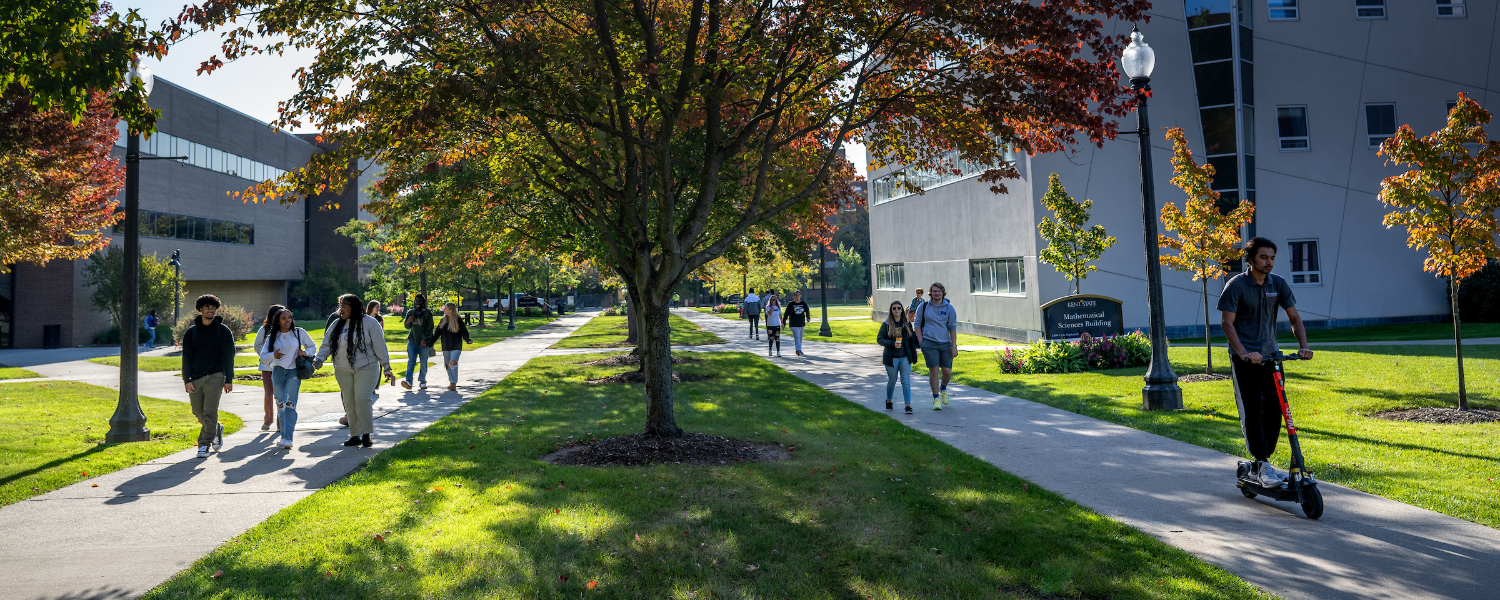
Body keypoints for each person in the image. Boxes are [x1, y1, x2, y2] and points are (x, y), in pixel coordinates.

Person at [1219, 237, 1314, 489]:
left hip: (1271, 357)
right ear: (1250, 259)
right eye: (1263, 257)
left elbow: (1294, 317)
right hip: (1246, 360)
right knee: (1253, 409)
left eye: (1271, 257)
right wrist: (1242, 352)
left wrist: (1303, 346)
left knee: (1275, 410)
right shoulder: (1236, 285)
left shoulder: (1278, 284)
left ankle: (1264, 462)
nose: (1268, 262)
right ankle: (1260, 463)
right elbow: (1227, 323)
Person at [315, 293, 395, 448]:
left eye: (344, 306)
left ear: (354, 307)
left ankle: (366, 435)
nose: (341, 309)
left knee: (362, 399)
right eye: (339, 306)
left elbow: (380, 346)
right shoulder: (336, 324)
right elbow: (326, 345)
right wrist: (319, 359)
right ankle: (355, 435)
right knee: (349, 402)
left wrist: (386, 366)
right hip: (343, 369)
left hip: (367, 367)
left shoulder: (369, 323)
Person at [181, 295, 235, 458]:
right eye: (207, 307)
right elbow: (187, 357)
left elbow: (229, 356)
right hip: (196, 377)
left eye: (213, 307)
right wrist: (187, 380)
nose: (211, 310)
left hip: (216, 375)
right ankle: (217, 429)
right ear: (200, 309)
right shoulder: (191, 332)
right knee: (198, 412)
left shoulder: (223, 331)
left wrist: (228, 379)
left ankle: (203, 445)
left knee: (210, 411)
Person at [259, 307, 317, 449]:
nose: (287, 321)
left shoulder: (299, 332)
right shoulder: (273, 336)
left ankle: (288, 437)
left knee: (290, 404)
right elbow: (263, 357)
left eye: (289, 317)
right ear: (278, 321)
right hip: (277, 372)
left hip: (293, 373)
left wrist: (304, 352)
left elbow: (313, 347)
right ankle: (283, 436)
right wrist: (274, 355)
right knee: (281, 405)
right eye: (283, 318)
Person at [913, 282, 958, 410]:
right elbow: (917, 324)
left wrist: (954, 346)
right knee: (934, 370)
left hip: (945, 343)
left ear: (943, 293)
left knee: (947, 372)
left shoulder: (949, 308)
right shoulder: (924, 306)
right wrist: (921, 341)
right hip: (929, 343)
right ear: (930, 293)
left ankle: (943, 388)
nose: (936, 293)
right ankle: (936, 398)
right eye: (934, 291)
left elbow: (952, 327)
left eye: (938, 291)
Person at [877, 301, 920, 413]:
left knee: (906, 381)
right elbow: (880, 339)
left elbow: (911, 342)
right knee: (892, 381)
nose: (897, 310)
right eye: (894, 308)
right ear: (891, 310)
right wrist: (892, 343)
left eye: (899, 308)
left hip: (904, 356)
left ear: (902, 310)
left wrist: (913, 357)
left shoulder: (906, 324)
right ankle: (889, 400)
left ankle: (907, 405)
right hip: (891, 358)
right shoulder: (886, 324)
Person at [251, 304, 287, 431]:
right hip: (267, 367)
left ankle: (280, 424)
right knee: (269, 393)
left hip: (282, 366)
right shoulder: (264, 330)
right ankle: (268, 420)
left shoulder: (286, 330)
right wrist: (268, 354)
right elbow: (257, 346)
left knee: (281, 394)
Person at [423, 302, 473, 391]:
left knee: (453, 362)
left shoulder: (458, 320)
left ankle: (453, 383)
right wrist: (429, 344)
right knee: (447, 365)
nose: (444, 309)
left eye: (445, 308)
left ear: (450, 310)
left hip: (456, 346)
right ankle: (451, 381)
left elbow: (464, 331)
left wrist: (467, 339)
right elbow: (436, 334)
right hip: (446, 346)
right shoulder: (443, 320)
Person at [401, 293, 435, 390]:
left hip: (423, 343)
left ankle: (422, 381)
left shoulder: (427, 313)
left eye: (420, 301)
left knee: (423, 362)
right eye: (416, 301)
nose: (418, 303)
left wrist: (424, 339)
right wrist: (408, 321)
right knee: (411, 361)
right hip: (412, 342)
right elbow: (406, 326)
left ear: (423, 302)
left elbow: (430, 328)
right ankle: (408, 381)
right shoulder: (411, 313)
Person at [785, 291, 811, 356]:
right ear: (794, 296)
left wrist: (808, 317)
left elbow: (807, 310)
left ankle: (799, 349)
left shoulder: (803, 303)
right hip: (793, 324)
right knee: (797, 336)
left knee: (800, 337)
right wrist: (784, 322)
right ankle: (798, 350)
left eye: (798, 295)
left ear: (800, 296)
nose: (797, 296)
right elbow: (786, 313)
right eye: (796, 295)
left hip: (801, 323)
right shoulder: (791, 304)